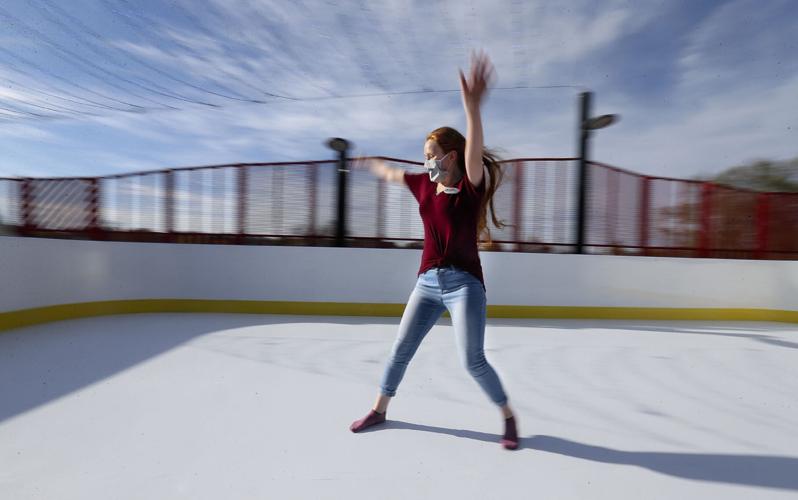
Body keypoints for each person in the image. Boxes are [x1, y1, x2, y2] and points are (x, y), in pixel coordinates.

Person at [350, 51, 519, 450]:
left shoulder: (472, 188)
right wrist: (371, 164)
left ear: (450, 157)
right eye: (424, 157)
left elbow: (475, 146)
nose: (425, 163)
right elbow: (393, 173)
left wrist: (472, 107)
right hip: (427, 282)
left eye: (430, 156)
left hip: (465, 286)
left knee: (472, 360)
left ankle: (508, 418)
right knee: (400, 349)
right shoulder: (424, 185)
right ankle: (379, 409)